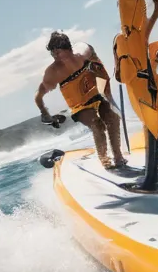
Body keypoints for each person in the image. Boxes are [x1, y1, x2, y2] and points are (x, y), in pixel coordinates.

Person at [34, 31, 127, 169]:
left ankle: (118, 157)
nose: (55, 57)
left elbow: (97, 63)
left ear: (68, 49)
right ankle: (105, 160)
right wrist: (45, 113)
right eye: (52, 53)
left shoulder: (83, 54)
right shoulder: (53, 72)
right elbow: (39, 96)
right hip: (80, 106)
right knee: (97, 124)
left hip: (96, 96)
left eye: (57, 52)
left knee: (113, 117)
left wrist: (107, 91)